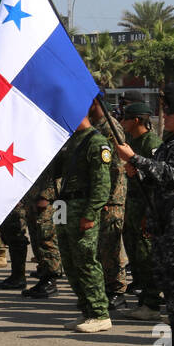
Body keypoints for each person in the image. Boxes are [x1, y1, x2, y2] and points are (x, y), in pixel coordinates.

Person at [116, 84, 174, 346]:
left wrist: (137, 159)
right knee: (169, 286)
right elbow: (158, 179)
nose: (164, 116)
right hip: (163, 222)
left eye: (168, 111)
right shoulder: (170, 144)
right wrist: (138, 173)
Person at [57, 105, 114, 333]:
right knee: (69, 263)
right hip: (63, 205)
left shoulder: (96, 142)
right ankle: (86, 311)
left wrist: (90, 214)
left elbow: (102, 184)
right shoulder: (71, 140)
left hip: (82, 208)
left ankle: (100, 313)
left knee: (86, 261)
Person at [122, 102, 163, 320]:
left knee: (147, 257)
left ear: (137, 120)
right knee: (136, 256)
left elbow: (158, 178)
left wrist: (150, 213)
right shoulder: (131, 141)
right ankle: (144, 299)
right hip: (133, 206)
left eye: (126, 118)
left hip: (146, 205)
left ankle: (152, 302)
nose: (123, 122)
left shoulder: (152, 143)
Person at [91, 99, 128, 307]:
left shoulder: (110, 126)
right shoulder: (97, 126)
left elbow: (118, 166)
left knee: (111, 244)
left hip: (112, 199)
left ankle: (117, 290)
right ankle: (107, 286)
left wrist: (110, 198)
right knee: (102, 246)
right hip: (102, 197)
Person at [20, 156, 62, 298]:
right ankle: (44, 276)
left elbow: (58, 171)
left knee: (48, 239)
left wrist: (46, 195)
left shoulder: (55, 138)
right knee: (37, 238)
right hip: (34, 195)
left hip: (49, 201)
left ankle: (51, 280)